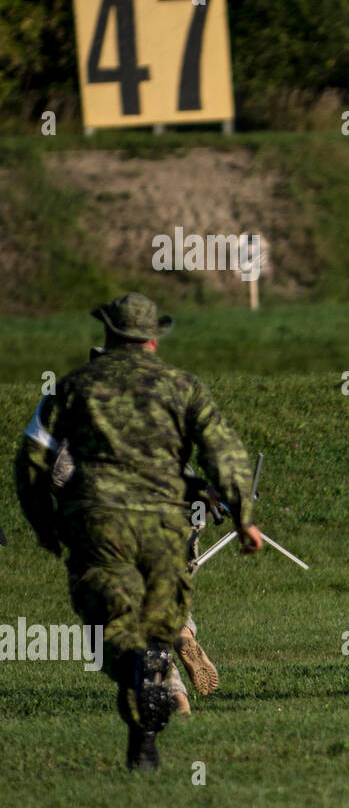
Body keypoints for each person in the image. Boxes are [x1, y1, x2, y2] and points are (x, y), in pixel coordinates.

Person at [14, 293, 261, 771]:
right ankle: (146, 740)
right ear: (153, 340)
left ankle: (138, 681)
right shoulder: (183, 388)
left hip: (98, 527)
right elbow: (225, 453)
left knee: (112, 636)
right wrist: (244, 516)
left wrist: (43, 525)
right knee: (156, 634)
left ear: (106, 333)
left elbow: (32, 459)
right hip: (167, 530)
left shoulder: (69, 389)